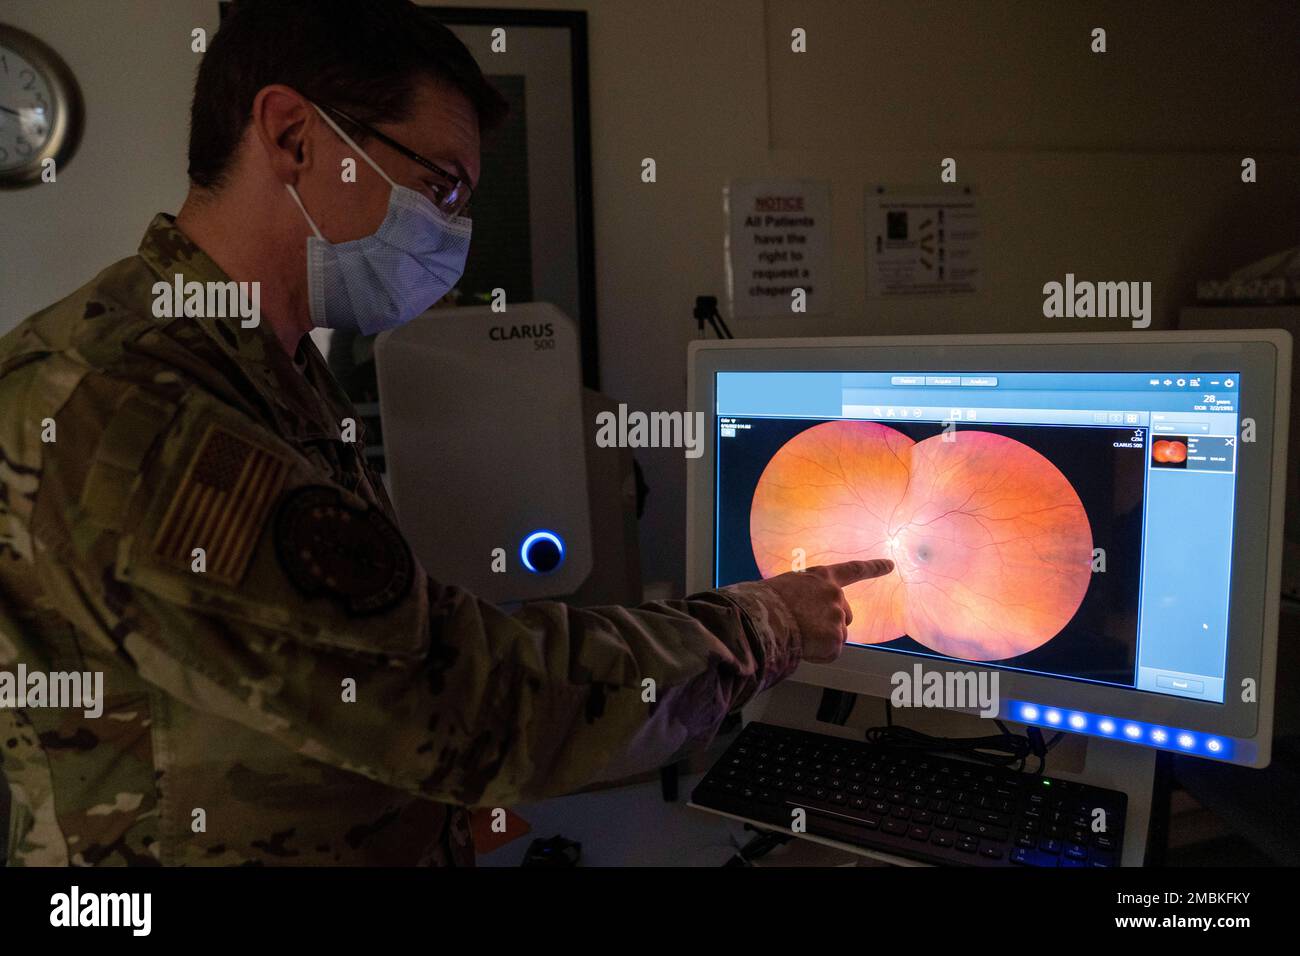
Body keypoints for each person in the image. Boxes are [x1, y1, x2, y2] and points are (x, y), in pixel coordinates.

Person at [0, 0, 891, 866]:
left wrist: (435, 826)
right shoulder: (130, 399)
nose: (453, 233)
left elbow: (309, 690)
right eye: (440, 187)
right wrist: (761, 624)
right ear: (292, 136)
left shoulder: (261, 369)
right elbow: (463, 700)